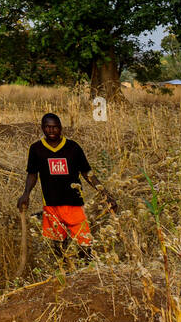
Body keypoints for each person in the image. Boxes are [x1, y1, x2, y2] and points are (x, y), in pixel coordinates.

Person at [17, 112, 118, 264]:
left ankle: (86, 271)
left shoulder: (73, 148)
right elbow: (32, 174)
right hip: (51, 204)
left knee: (85, 243)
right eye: (47, 127)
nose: (51, 131)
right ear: (42, 128)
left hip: (74, 203)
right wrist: (26, 194)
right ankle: (65, 272)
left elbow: (87, 173)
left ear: (61, 128)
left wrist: (105, 194)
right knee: (58, 246)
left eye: (55, 127)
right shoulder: (36, 149)